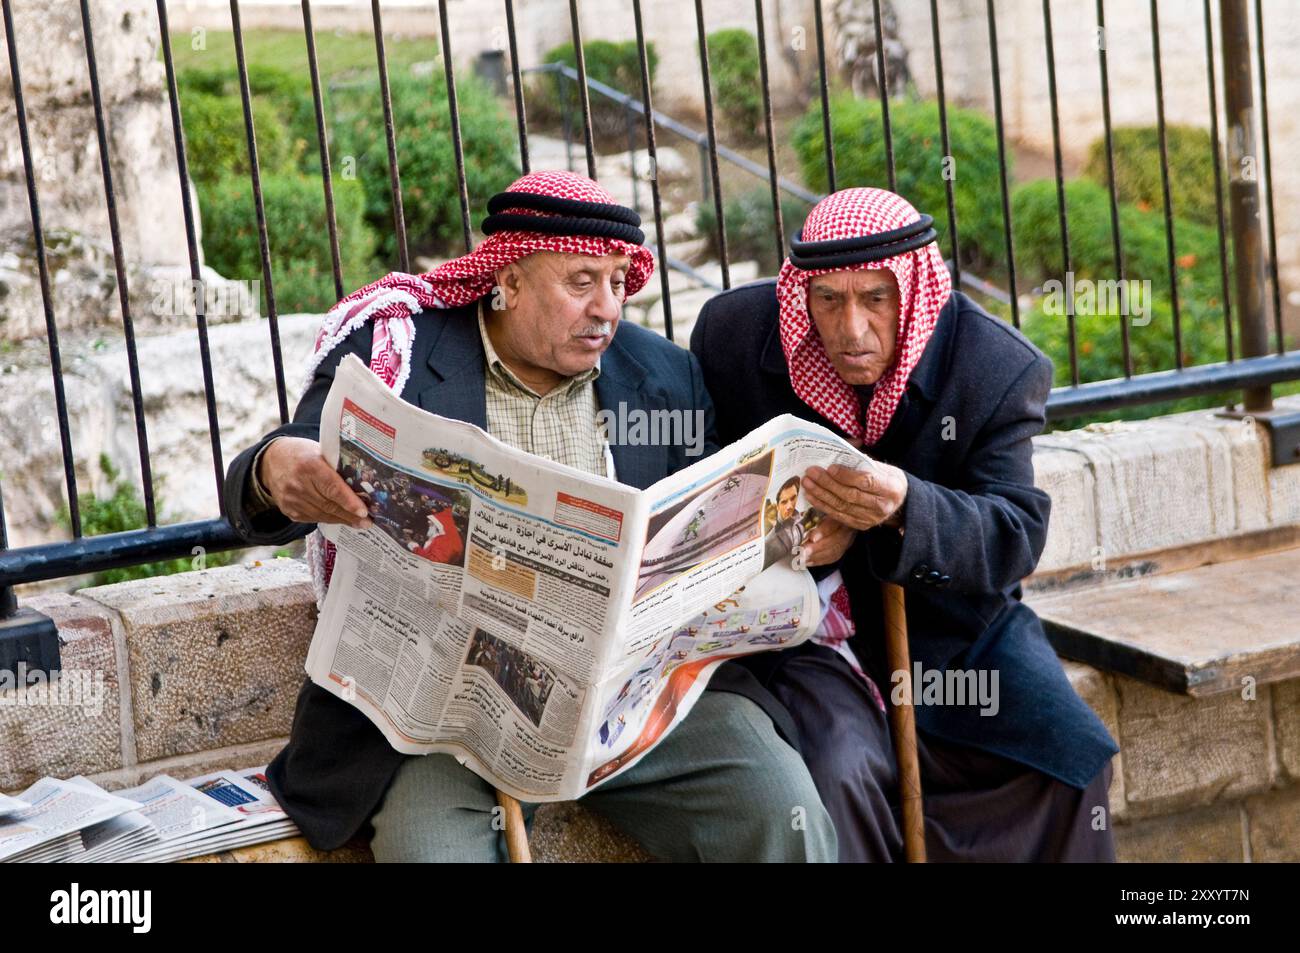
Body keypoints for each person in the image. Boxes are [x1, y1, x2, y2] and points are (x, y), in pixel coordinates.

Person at [223, 170, 835, 863]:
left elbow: (717, 516)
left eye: (616, 282)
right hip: (455, 714)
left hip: (631, 699)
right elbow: (288, 456)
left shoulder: (662, 375)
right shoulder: (400, 356)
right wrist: (277, 470)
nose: (605, 309)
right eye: (580, 282)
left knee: (777, 808)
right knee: (429, 850)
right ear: (508, 280)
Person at [690, 186, 1119, 862]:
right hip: (805, 630)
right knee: (840, 770)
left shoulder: (995, 366)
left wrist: (906, 507)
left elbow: (1011, 534)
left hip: (953, 626)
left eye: (875, 299)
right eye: (827, 299)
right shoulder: (735, 337)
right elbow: (699, 490)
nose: (849, 328)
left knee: (1068, 762)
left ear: (913, 294)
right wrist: (791, 539)